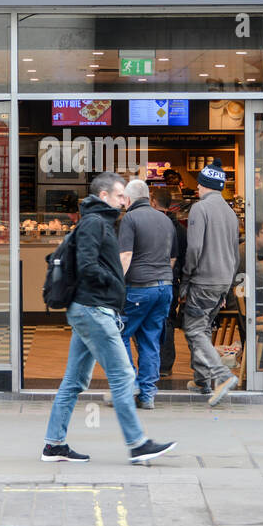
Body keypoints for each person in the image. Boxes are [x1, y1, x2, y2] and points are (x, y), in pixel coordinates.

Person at [41, 171, 177, 464]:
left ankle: (53, 445)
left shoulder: (100, 221)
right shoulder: (94, 223)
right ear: (104, 196)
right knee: (123, 375)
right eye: (119, 196)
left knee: (74, 380)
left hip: (88, 308)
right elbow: (88, 265)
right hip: (93, 309)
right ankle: (137, 443)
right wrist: (115, 284)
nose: (123, 201)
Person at [179, 160, 241, 406]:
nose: (197, 190)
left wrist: (186, 276)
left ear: (203, 185)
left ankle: (222, 376)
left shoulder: (200, 209)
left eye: (199, 185)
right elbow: (235, 255)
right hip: (223, 281)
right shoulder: (230, 212)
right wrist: (227, 286)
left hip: (203, 280)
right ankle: (202, 380)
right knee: (203, 329)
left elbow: (194, 247)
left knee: (193, 329)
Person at [117, 179, 177, 409]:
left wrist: (116, 284)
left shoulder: (130, 219)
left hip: (139, 288)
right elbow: (172, 258)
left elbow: (125, 256)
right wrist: (161, 279)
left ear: (129, 199)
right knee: (151, 339)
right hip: (165, 287)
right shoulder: (165, 219)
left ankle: (131, 383)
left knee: (120, 334)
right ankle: (148, 394)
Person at [151, 188, 188, 378]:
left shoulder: (152, 225)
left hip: (153, 278)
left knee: (153, 320)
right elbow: (186, 255)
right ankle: (165, 364)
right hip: (173, 279)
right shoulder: (180, 228)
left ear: (154, 203)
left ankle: (155, 362)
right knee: (167, 320)